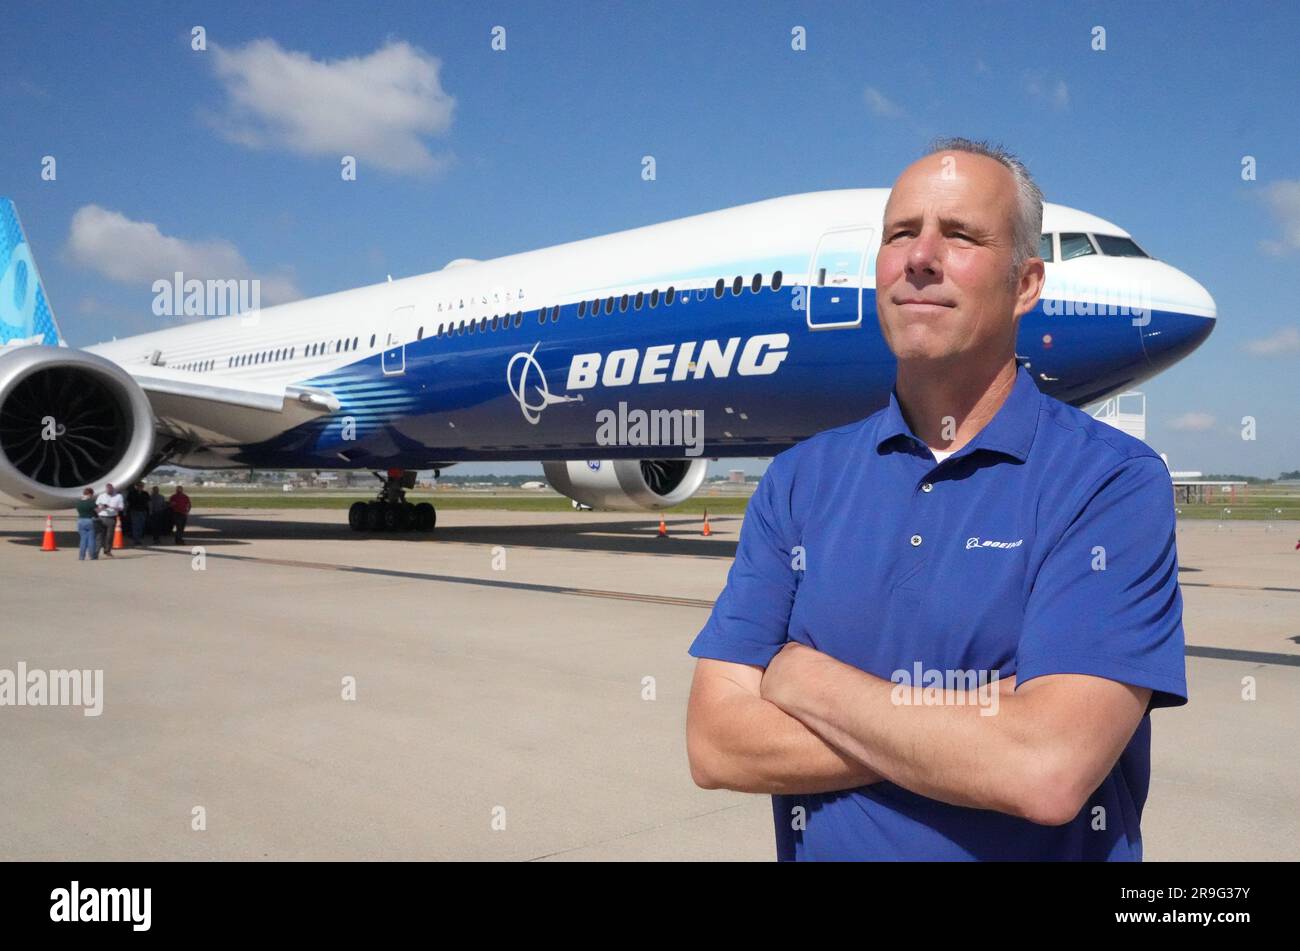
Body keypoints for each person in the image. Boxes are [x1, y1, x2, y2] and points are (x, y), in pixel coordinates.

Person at [686, 138, 1187, 861]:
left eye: (960, 235)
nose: (921, 256)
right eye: (900, 234)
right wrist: (977, 721)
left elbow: (1044, 769)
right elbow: (714, 744)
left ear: (1026, 284)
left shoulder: (1111, 480)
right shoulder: (798, 481)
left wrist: (804, 677)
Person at [94, 482, 124, 558]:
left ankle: (107, 550)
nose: (109, 491)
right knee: (100, 535)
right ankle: (96, 552)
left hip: (112, 517)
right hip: (102, 517)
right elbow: (97, 505)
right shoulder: (101, 496)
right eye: (107, 490)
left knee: (109, 536)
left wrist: (112, 507)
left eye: (110, 490)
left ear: (113, 489)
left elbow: (121, 508)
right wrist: (101, 507)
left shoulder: (118, 496)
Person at [75, 487, 99, 561]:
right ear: (90, 494)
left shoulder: (78, 502)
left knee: (83, 539)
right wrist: (103, 507)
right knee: (91, 539)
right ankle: (92, 556)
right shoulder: (91, 502)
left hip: (80, 520)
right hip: (89, 520)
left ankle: (81, 556)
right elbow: (98, 511)